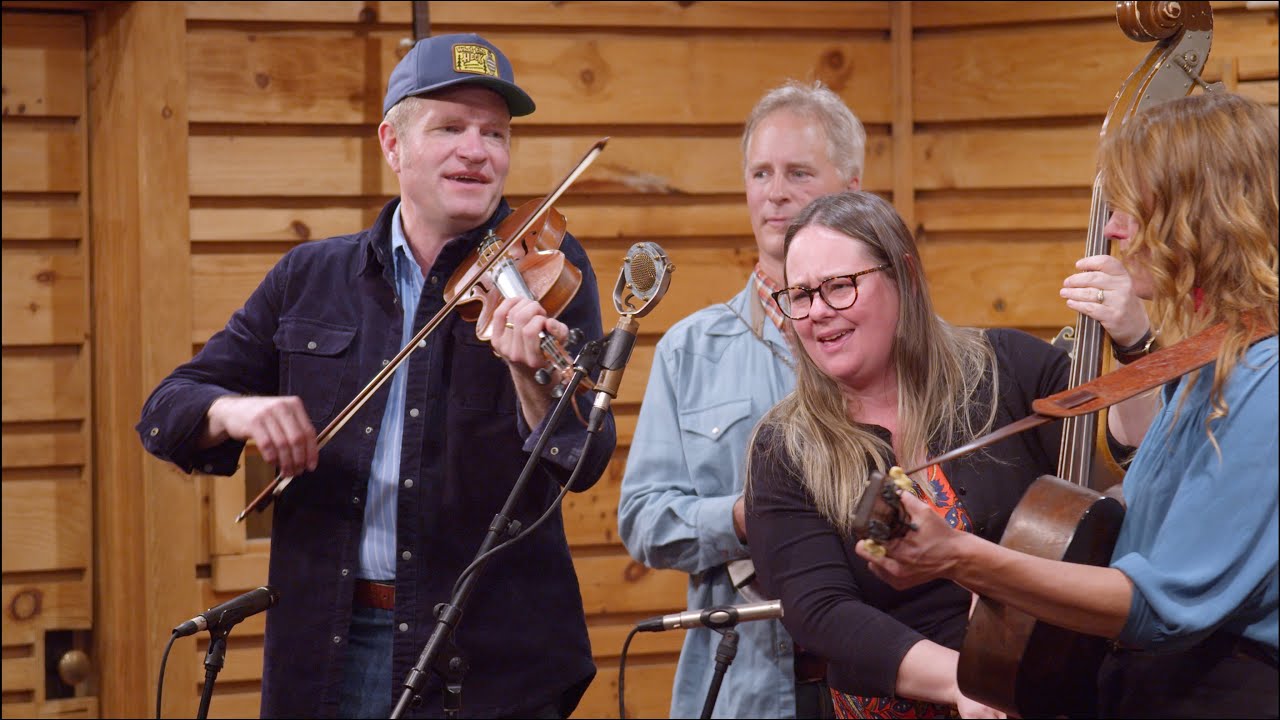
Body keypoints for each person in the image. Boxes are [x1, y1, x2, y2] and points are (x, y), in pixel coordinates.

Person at [137, 33, 616, 719]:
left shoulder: (544, 272)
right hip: (329, 643)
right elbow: (166, 409)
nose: (476, 151)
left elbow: (585, 458)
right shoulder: (311, 278)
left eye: (495, 134)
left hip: (487, 658)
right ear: (392, 144)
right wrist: (235, 413)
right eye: (449, 127)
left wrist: (532, 377)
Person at [860, 91, 1278, 718]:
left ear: (1201, 213)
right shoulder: (1211, 362)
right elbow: (1145, 531)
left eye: (1130, 208)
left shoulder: (1265, 380)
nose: (1109, 229)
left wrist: (966, 558)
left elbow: (1152, 602)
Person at [742, 189, 1153, 718]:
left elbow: (1127, 456)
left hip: (1062, 690)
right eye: (799, 295)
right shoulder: (783, 446)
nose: (818, 311)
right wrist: (965, 684)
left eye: (839, 287)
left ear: (905, 277)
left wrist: (1133, 341)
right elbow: (821, 610)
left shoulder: (1008, 366)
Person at [617, 80, 863, 718]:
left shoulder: (893, 338)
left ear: (852, 189)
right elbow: (643, 518)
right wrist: (741, 517)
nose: (775, 192)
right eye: (761, 172)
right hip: (744, 684)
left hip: (877, 679)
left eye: (799, 172)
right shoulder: (688, 350)